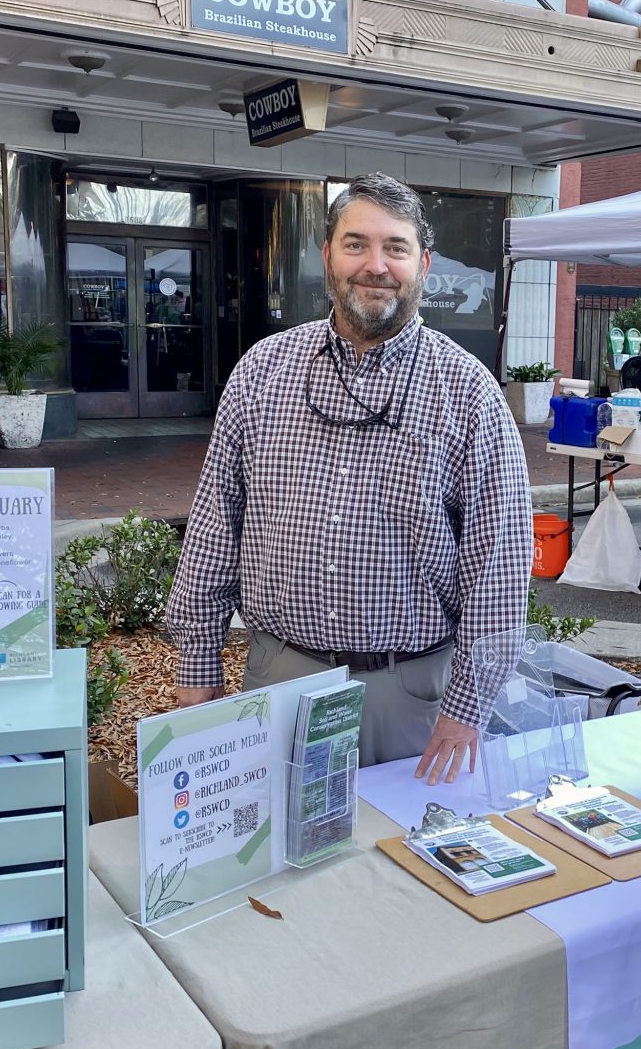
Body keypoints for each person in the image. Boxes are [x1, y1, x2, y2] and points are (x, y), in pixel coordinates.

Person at [165, 172, 531, 783]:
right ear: (327, 255)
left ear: (424, 264)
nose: (375, 265)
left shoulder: (469, 392)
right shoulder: (261, 372)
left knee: (409, 846)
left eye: (396, 247)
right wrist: (198, 665)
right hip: (280, 678)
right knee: (277, 844)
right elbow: (213, 529)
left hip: (412, 696)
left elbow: (498, 566)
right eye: (356, 244)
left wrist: (467, 707)